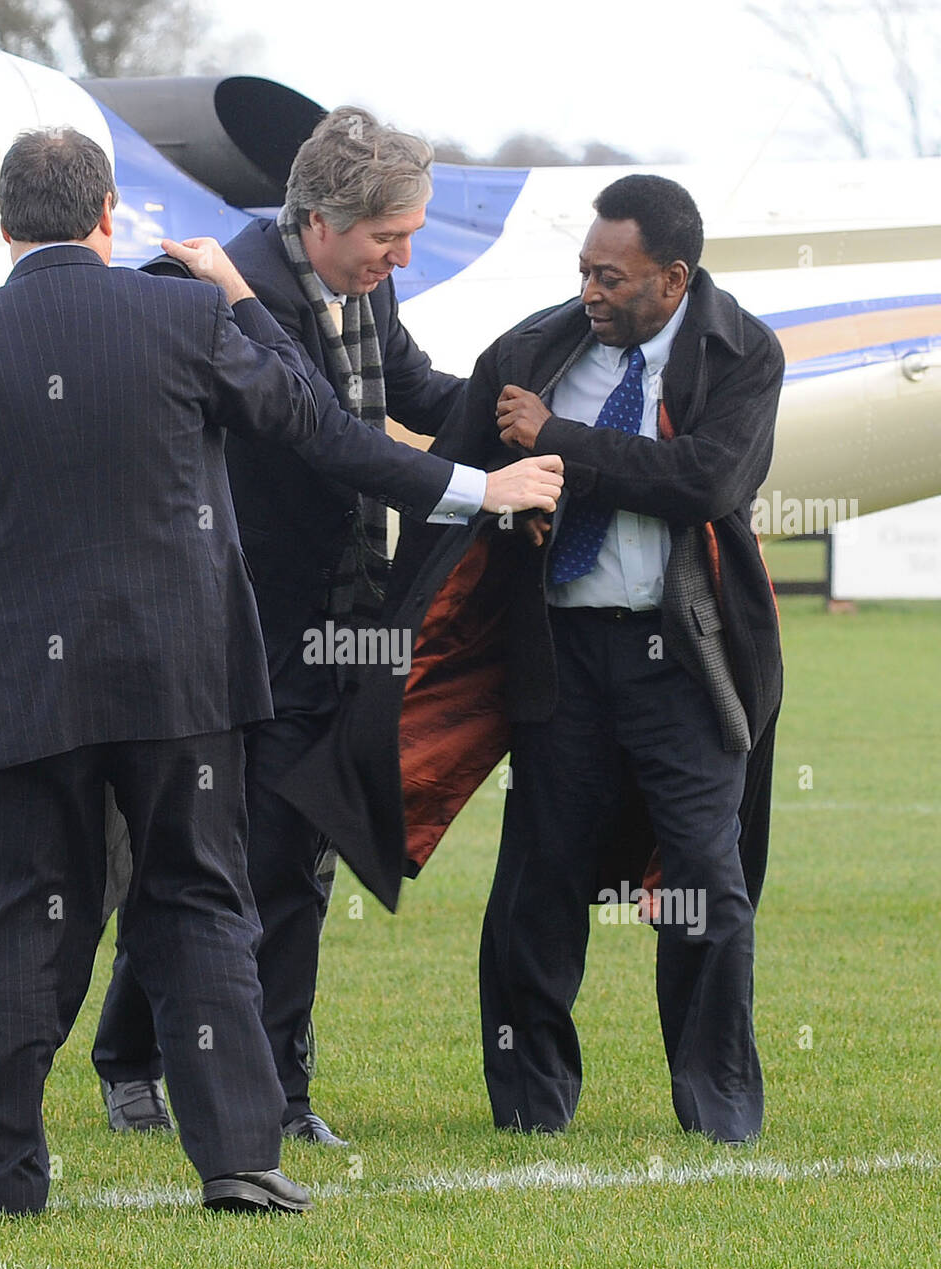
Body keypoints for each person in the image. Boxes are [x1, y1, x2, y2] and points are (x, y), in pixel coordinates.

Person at [0, 127, 330, 1216]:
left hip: (15, 694)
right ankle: (240, 1154)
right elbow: (295, 411)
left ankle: (4, 1176)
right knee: (198, 903)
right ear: (110, 215)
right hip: (180, 685)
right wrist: (237, 294)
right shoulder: (190, 317)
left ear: (3, 227)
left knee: (13, 924)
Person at [281, 174, 785, 1145]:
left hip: (685, 662)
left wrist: (556, 442)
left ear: (673, 281)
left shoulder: (741, 353)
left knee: (704, 886)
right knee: (538, 884)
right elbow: (456, 481)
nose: (590, 292)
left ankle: (717, 1109)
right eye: (583, 271)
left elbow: (705, 481)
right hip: (560, 655)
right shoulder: (529, 349)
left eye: (613, 277)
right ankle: (528, 1104)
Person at [91, 107, 563, 1144]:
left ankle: (283, 1094)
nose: (400, 257)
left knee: (289, 862)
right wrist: (484, 487)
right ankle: (132, 1059)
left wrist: (538, 419)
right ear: (316, 219)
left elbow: (418, 392)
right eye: (387, 238)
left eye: (409, 236)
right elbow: (328, 438)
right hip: (220, 628)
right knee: (211, 859)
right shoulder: (207, 289)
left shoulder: (362, 282)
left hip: (337, 625)